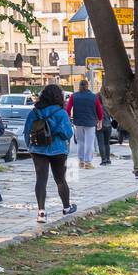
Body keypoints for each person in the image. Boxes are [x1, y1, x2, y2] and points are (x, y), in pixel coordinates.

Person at [23, 84, 78, 223]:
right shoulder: (61, 113)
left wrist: (30, 147)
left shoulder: (35, 112)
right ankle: (66, 207)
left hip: (38, 150)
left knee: (41, 179)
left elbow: (27, 131)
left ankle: (41, 212)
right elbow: (68, 133)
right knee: (60, 180)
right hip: (58, 150)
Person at [65, 79, 104, 169]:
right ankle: (88, 162)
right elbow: (99, 110)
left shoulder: (74, 96)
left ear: (79, 86)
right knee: (89, 143)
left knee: (80, 142)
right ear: (87, 86)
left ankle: (81, 161)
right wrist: (100, 121)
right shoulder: (93, 97)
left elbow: (67, 109)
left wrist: (69, 118)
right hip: (90, 122)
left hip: (78, 122)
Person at [95, 91, 113, 165]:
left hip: (99, 125)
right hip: (108, 126)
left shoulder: (96, 106)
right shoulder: (108, 106)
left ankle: (103, 160)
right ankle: (108, 159)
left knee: (101, 143)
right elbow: (112, 116)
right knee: (107, 143)